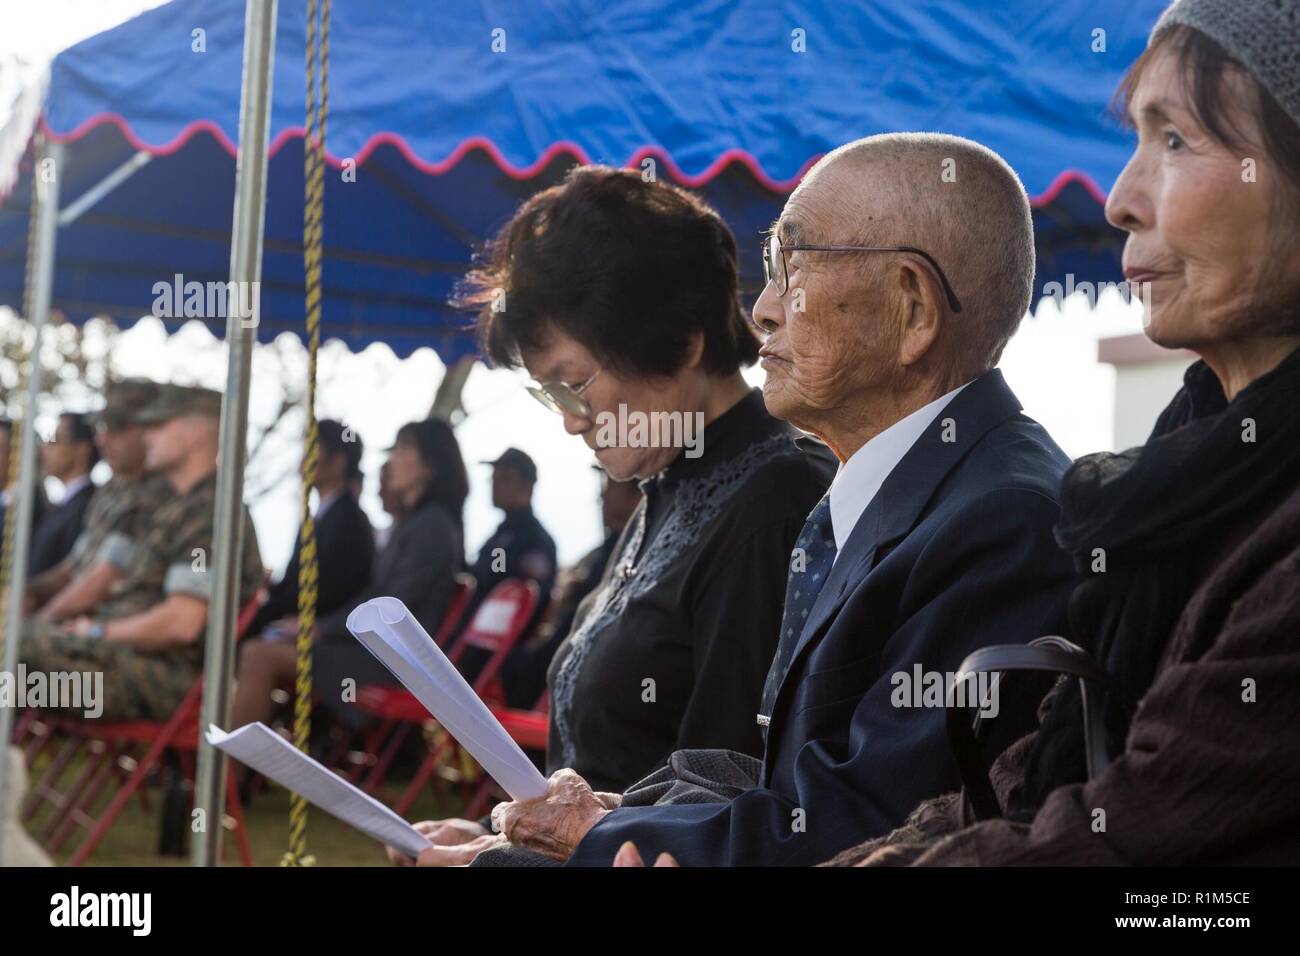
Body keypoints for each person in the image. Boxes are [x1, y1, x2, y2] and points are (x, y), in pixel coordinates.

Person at [458, 133, 1079, 868]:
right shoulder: (878, 494)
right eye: (768, 269)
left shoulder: (1000, 518)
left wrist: (585, 839)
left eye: (794, 267)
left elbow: (862, 824)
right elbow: (776, 779)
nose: (763, 312)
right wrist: (605, 819)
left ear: (912, 309)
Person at [825, 0, 1300, 868]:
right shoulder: (1177, 479)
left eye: (1177, 141)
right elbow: (1025, 779)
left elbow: (1130, 836)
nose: (1121, 200)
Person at [388, 164, 841, 865]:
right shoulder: (671, 483)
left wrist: (488, 862)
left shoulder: (774, 499)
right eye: (552, 397)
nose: (572, 422)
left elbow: (720, 815)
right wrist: (496, 836)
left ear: (684, 342)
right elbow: (616, 779)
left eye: (574, 384)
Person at [20, 385, 264, 722]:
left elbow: (181, 624)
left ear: (194, 433)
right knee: (13, 650)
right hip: (115, 661)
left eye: (158, 425)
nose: (146, 436)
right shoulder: (177, 507)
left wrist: (95, 632)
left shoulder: (212, 515)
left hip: (159, 679)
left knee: (15, 646)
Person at [231, 418, 468, 734]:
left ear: (430, 465)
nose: (391, 460)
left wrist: (321, 629)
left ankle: (231, 776)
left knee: (259, 655)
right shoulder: (414, 523)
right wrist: (316, 627)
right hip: (377, 651)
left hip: (392, 662)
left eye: (402, 450)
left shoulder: (433, 526)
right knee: (261, 648)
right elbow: (374, 595)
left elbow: (393, 606)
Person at [27, 379, 174, 619]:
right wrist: (29, 592)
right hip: (93, 627)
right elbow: (73, 567)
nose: (102, 439)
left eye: (118, 428)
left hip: (119, 631)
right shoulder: (111, 491)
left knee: (17, 648)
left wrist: (39, 621)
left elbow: (104, 577)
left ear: (150, 429)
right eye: (102, 428)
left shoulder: (160, 493)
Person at [500, 470, 641, 709]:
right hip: (554, 659)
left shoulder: (631, 555)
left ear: (638, 494)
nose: (601, 495)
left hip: (574, 672)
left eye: (611, 485)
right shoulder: (602, 553)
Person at [246, 419, 375, 637]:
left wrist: (268, 611)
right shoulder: (322, 517)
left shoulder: (349, 522)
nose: (302, 461)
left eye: (313, 450)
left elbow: (328, 589)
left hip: (321, 632)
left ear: (337, 462)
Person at [465, 447, 557, 612]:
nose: (495, 486)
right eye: (493, 479)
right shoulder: (504, 534)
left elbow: (500, 585)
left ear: (527, 486)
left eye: (505, 479)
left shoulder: (531, 539)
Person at [28, 412, 98, 575]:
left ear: (82, 450)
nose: (44, 448)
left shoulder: (88, 507)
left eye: (55, 440)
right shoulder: (59, 507)